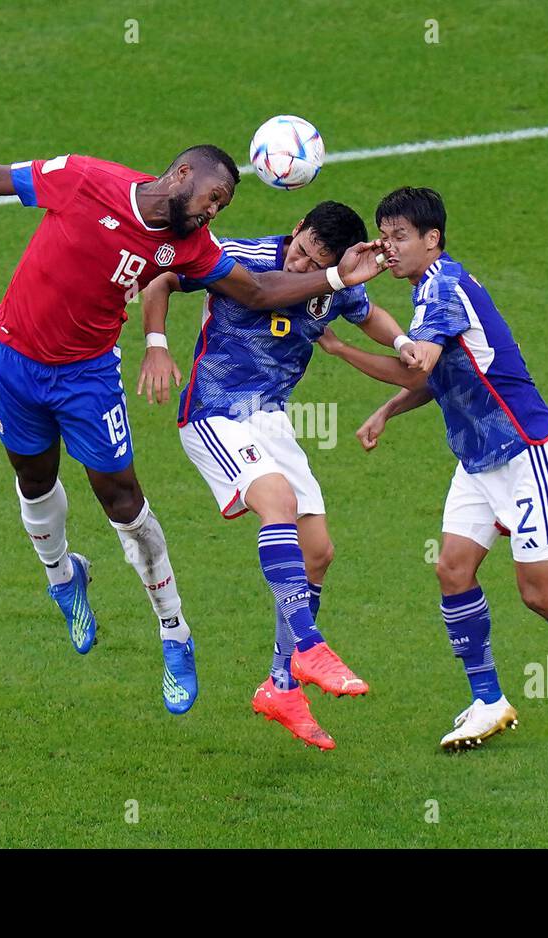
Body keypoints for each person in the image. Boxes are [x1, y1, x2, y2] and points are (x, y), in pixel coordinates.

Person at [0, 148, 387, 715]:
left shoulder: (193, 246)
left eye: (222, 206)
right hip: (12, 358)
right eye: (213, 198)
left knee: (123, 501)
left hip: (88, 377)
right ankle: (64, 578)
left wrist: (336, 277)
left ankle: (174, 632)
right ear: (182, 175)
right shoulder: (85, 179)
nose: (213, 212)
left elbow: (255, 291)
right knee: (34, 480)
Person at [318, 187, 548, 749]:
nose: (389, 248)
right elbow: (442, 374)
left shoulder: (443, 288)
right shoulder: (432, 290)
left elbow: (415, 368)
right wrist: (388, 411)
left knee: (540, 593)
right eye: (384, 237)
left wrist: (340, 350)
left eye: (400, 236)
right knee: (453, 570)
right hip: (479, 460)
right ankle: (488, 700)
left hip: (528, 454)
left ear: (433, 239)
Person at [140, 201, 408, 749]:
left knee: (319, 552)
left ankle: (281, 687)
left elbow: (367, 313)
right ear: (296, 228)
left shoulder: (337, 284)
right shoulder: (241, 257)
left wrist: (404, 343)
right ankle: (309, 644)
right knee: (277, 501)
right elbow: (162, 278)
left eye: (314, 261)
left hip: (271, 421)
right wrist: (157, 346)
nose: (300, 262)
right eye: (301, 248)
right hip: (214, 413)